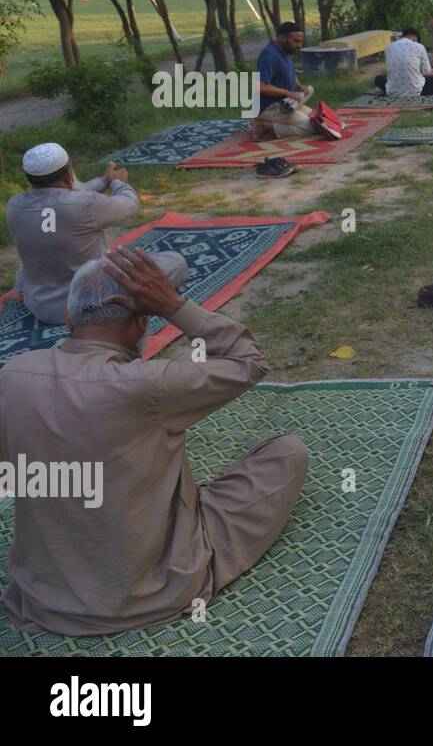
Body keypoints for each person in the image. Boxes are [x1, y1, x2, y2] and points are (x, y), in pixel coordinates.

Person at [0, 247, 307, 636]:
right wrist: (175, 305)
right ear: (141, 322)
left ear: (67, 315)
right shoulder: (148, 384)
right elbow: (248, 361)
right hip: (154, 593)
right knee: (286, 452)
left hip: (47, 601)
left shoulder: (12, 375)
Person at [5, 143, 170, 327]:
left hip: (41, 306)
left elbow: (66, 197)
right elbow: (129, 204)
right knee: (173, 262)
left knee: (26, 271)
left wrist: (103, 180)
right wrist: (118, 182)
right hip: (87, 305)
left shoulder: (15, 205)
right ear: (68, 175)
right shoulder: (85, 204)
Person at [251, 22, 315, 140]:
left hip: (288, 102)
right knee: (311, 127)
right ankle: (263, 124)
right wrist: (288, 93)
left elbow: (291, 72)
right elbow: (260, 86)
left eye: (300, 41)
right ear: (282, 38)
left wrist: (300, 86)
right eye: (296, 41)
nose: (299, 45)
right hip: (270, 107)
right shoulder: (269, 56)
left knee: (315, 117)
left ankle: (293, 108)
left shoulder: (286, 51)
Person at [375, 28, 433, 98]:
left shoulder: (389, 47)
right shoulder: (419, 46)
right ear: (415, 39)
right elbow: (427, 72)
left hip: (392, 91)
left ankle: (395, 89)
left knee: (378, 79)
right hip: (416, 91)